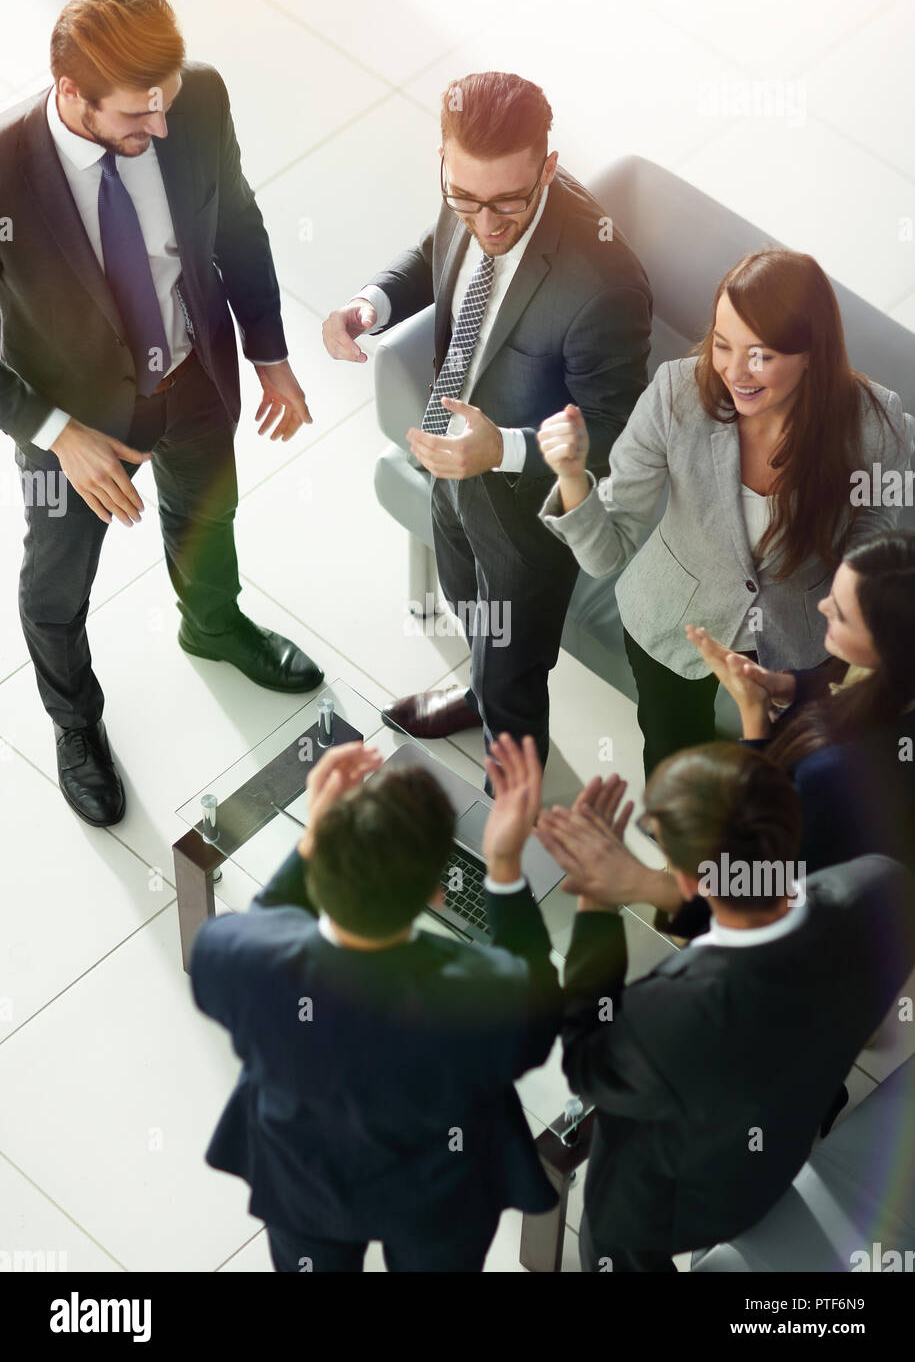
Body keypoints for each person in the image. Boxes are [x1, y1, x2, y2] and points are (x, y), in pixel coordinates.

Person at [0, 0, 322, 827]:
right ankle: (76, 724)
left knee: (210, 511)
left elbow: (238, 222)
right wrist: (57, 434)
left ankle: (212, 625)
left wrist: (269, 354)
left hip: (194, 371)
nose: (163, 131)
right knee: (54, 587)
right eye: (139, 119)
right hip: (69, 421)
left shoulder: (197, 95)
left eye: (167, 106)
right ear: (70, 92)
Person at [322, 71, 652, 787]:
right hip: (447, 464)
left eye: (508, 202)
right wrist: (369, 303)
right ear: (444, 160)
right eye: (464, 198)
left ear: (549, 167)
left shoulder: (603, 282)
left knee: (512, 675)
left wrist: (498, 449)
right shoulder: (469, 195)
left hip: (524, 512)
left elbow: (614, 427)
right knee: (467, 604)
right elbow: (435, 253)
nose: (486, 222)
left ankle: (515, 794)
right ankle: (476, 692)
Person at [534, 742, 915, 1272]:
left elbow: (588, 1069)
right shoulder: (877, 885)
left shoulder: (667, 1014)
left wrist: (595, 903)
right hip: (776, 1156)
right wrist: (654, 887)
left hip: (685, 1208)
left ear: (690, 877)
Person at [190, 733, 561, 1272]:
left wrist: (312, 835)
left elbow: (263, 923)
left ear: (318, 867)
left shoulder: (236, 958)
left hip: (304, 1181)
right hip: (438, 1200)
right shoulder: (483, 991)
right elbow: (538, 1010)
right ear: (439, 890)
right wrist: (503, 866)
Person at [536, 248, 908, 780]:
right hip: (670, 620)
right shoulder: (674, 393)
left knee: (786, 774)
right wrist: (573, 477)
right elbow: (605, 552)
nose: (735, 372)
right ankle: (679, 862)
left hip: (800, 637)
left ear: (811, 354)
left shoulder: (875, 421)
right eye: (722, 343)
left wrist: (845, 627)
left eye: (760, 355)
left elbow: (874, 529)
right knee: (672, 761)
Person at [684, 528, 915, 878]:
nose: (822, 607)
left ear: (887, 648)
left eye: (840, 615)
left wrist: (754, 715)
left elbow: (764, 856)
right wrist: (784, 685)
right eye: (831, 594)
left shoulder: (836, 770)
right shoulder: (893, 678)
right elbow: (846, 687)